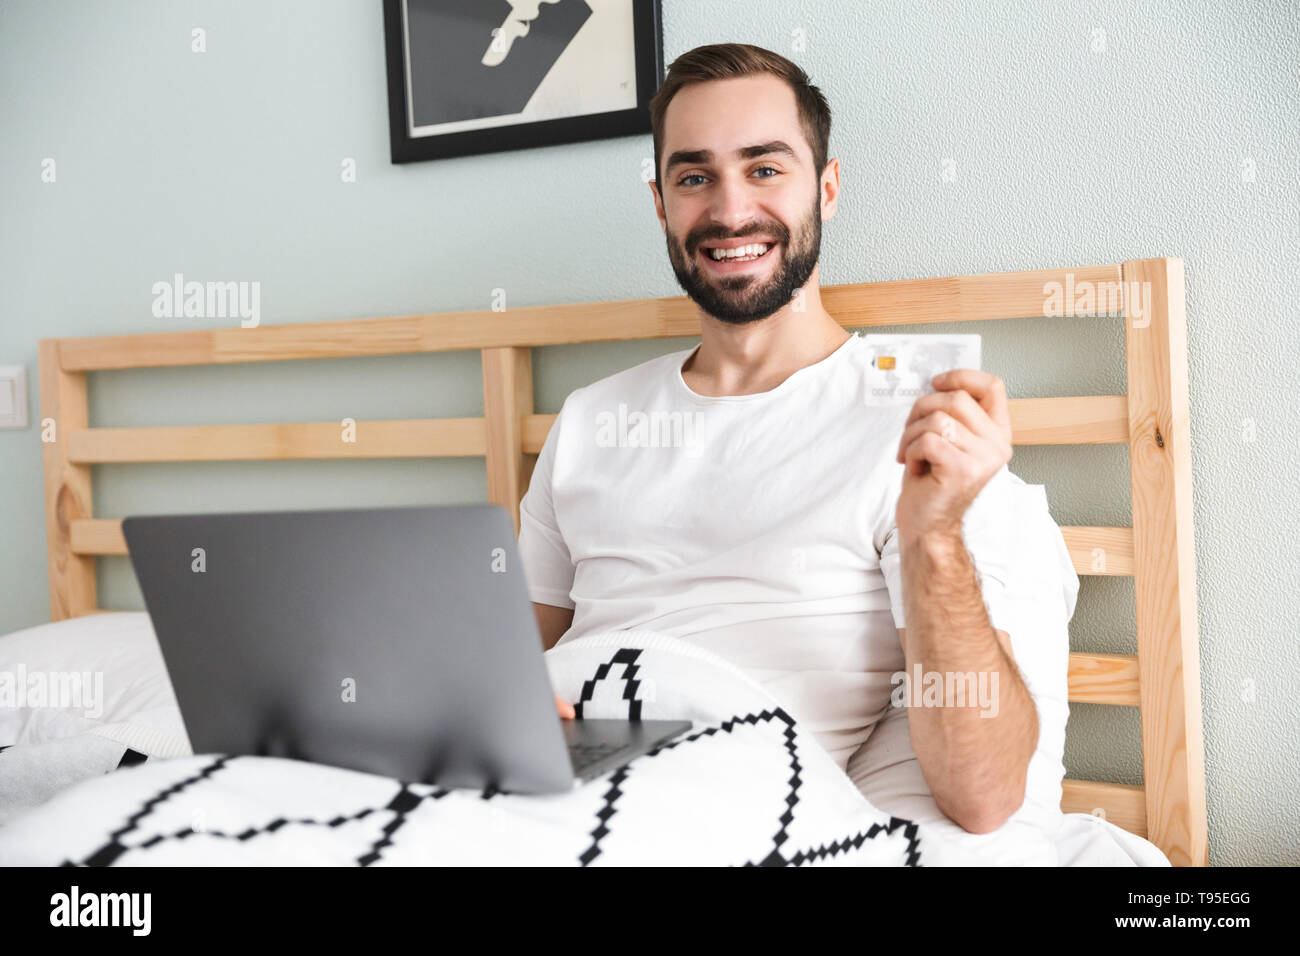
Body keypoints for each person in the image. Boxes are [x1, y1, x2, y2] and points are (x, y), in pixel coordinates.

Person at [525, 43, 1036, 835]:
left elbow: (986, 795)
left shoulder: (921, 433)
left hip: (715, 804)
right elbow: (503, 674)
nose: (730, 211)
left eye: (765, 169)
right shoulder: (591, 419)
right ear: (661, 202)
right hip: (543, 788)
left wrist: (934, 536)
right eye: (695, 177)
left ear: (827, 189)